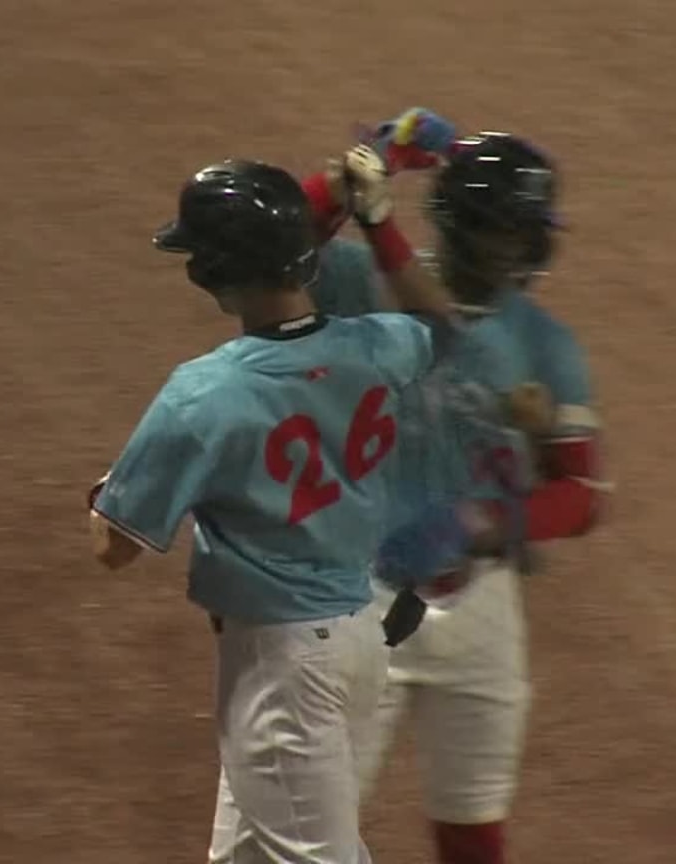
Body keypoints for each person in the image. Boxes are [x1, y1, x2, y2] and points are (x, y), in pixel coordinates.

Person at [86, 151, 473, 863]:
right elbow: (440, 326)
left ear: (213, 273)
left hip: (285, 665)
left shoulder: (203, 395)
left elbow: (114, 545)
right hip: (356, 639)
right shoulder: (374, 345)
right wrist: (381, 222)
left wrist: (112, 489)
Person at [299, 110, 609, 864]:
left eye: (531, 234)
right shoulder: (363, 283)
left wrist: (484, 522)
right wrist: (365, 166)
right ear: (470, 228)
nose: (526, 251)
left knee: (473, 821)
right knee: (310, 824)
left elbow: (582, 491)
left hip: (481, 605)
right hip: (357, 597)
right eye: (514, 231)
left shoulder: (542, 340)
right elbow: (276, 243)